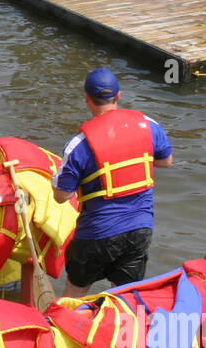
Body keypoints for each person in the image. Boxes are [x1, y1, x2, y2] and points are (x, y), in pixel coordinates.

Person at [53, 67, 173, 296]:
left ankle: (67, 327)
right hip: (140, 228)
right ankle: (121, 330)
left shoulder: (79, 145)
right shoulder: (148, 125)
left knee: (75, 295)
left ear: (87, 99)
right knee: (124, 297)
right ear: (118, 96)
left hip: (96, 233)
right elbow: (166, 161)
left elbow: (61, 196)